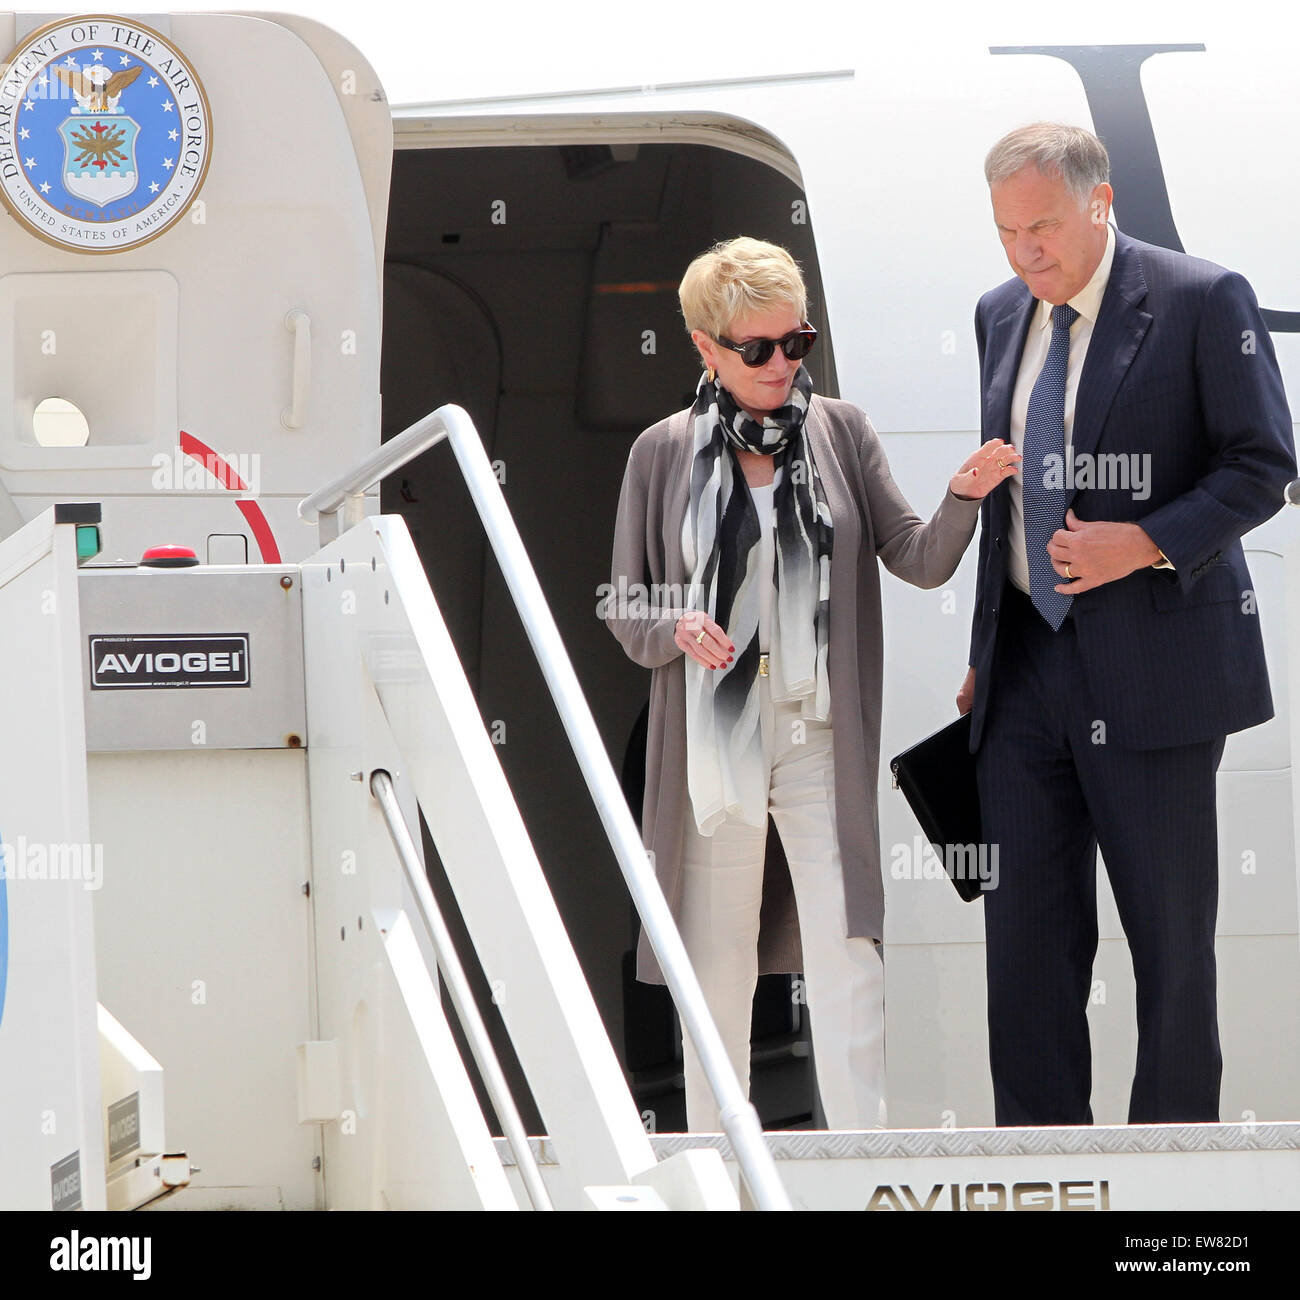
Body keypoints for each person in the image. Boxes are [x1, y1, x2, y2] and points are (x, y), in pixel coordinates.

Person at [606, 236, 1014, 1131]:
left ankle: (860, 1155)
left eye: (798, 342)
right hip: (715, 738)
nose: (782, 363)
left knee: (847, 943)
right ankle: (722, 1163)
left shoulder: (842, 430)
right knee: (716, 960)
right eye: (758, 348)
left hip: (817, 730)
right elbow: (623, 605)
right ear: (707, 347)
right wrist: (676, 626)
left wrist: (963, 499)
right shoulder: (661, 453)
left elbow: (916, 557)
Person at [959, 123, 1295, 1126]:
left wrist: (1143, 542)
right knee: (1024, 949)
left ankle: (1172, 1183)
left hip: (1155, 670)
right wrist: (985, 648)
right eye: (1006, 231)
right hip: (1024, 669)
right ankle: (1039, 1170)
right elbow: (1009, 491)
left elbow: (1262, 465)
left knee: (1170, 950)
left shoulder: (1201, 299)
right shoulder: (997, 314)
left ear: (1099, 201)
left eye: (1043, 227)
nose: (1025, 251)